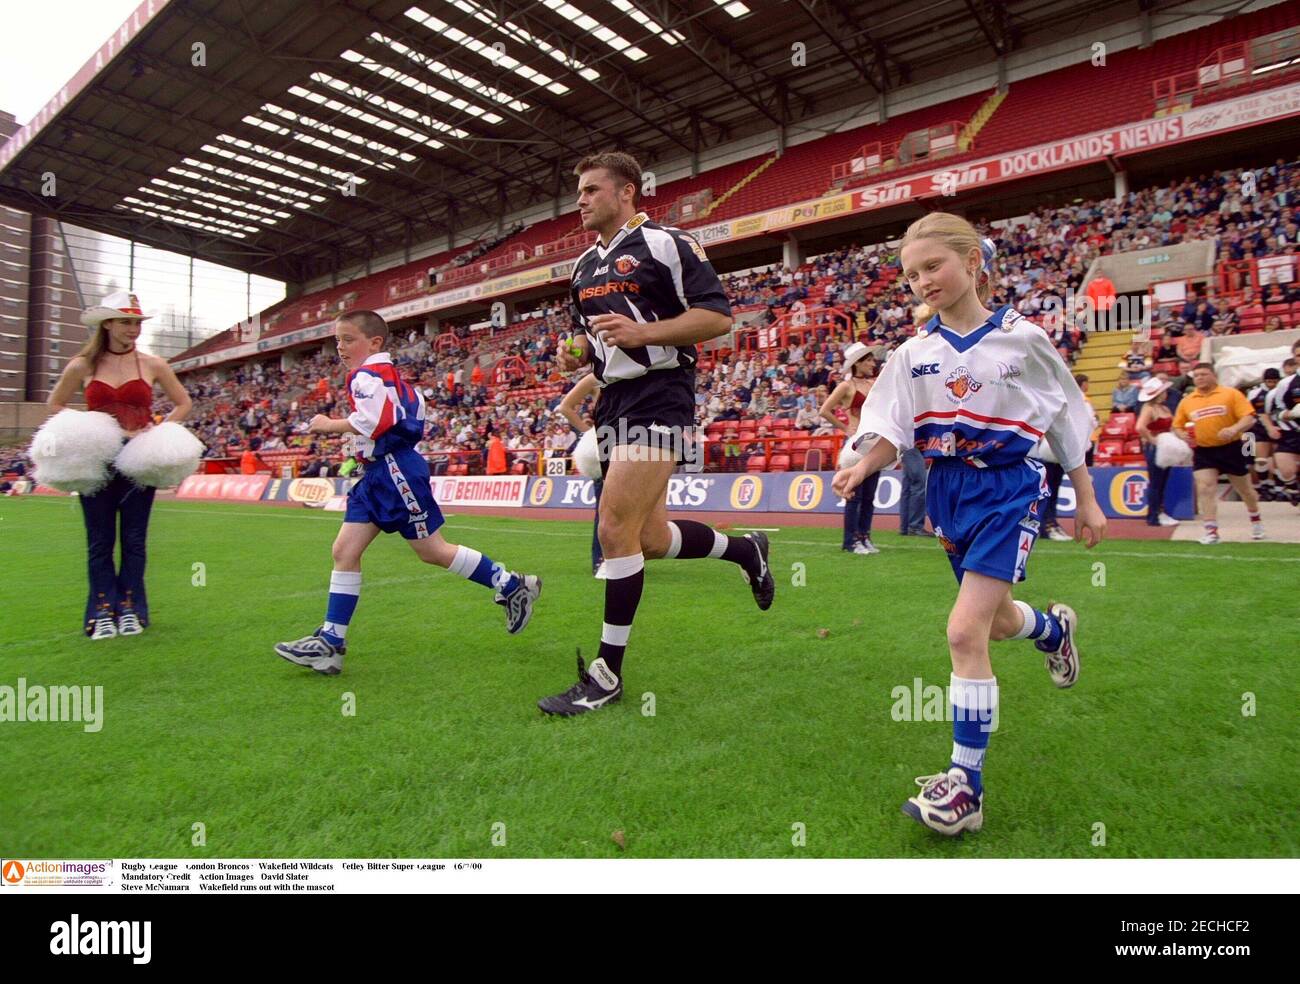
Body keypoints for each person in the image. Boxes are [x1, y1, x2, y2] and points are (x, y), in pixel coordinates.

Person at [832, 213, 1105, 837]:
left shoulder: (1023, 339)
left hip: (1010, 487)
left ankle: (966, 788)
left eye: (933, 266)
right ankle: (1050, 628)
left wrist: (1086, 498)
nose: (922, 281)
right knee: (998, 619)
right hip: (948, 492)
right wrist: (865, 464)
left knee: (962, 632)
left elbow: (1065, 420)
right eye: (911, 274)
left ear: (973, 264)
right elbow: (894, 428)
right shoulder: (912, 353)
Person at [538, 151, 774, 716]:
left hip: (663, 394)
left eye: (592, 189)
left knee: (614, 526)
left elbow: (717, 319)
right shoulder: (582, 269)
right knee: (647, 537)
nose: (581, 199)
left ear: (627, 193)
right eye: (579, 191)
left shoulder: (668, 244)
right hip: (614, 401)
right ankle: (746, 550)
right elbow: (594, 344)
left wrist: (645, 333)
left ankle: (606, 675)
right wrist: (577, 351)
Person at [274, 310, 542, 676]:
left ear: (375, 342)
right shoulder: (394, 379)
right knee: (344, 551)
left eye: (348, 339)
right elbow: (405, 414)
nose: (340, 347)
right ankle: (330, 643)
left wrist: (326, 425)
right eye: (337, 340)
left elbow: (375, 422)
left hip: (393, 471)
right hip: (378, 473)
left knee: (432, 550)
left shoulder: (366, 375)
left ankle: (510, 584)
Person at [47, 291, 194, 640]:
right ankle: (101, 612)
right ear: (107, 324)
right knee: (98, 541)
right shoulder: (82, 364)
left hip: (137, 462)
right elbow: (55, 404)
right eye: (126, 322)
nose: (133, 329)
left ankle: (129, 608)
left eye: (137, 323)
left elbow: (184, 402)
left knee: (134, 540)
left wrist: (157, 432)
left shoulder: (153, 364)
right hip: (96, 462)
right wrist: (89, 430)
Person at [1172, 362, 1265, 544]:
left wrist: (1234, 428)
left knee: (1245, 489)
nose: (1200, 378)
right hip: (1203, 450)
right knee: (1205, 488)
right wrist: (1182, 434)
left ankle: (1256, 520)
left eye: (1204, 374)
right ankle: (1211, 531)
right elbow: (1177, 425)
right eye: (1196, 375)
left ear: (1214, 375)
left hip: (1230, 447)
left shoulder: (1230, 394)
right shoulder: (1188, 401)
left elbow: (1249, 417)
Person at [820, 342, 880, 553]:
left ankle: (864, 536)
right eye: (869, 360)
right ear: (858, 363)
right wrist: (845, 428)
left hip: (873, 440)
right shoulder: (846, 386)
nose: (873, 363)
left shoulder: (873, 383)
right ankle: (851, 540)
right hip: (857, 442)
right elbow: (825, 410)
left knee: (870, 495)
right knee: (855, 494)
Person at [557, 371, 606, 577]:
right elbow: (565, 407)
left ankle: (626, 557)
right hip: (605, 444)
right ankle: (600, 560)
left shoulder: (631, 372)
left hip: (630, 442)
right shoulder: (595, 378)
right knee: (605, 508)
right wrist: (587, 432)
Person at [1135, 376, 1179, 526]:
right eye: (1163, 391)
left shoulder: (1164, 408)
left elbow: (1172, 427)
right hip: (1155, 448)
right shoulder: (1149, 408)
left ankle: (1160, 512)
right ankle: (1153, 516)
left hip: (1166, 448)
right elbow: (1140, 427)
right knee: (1156, 482)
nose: (1166, 393)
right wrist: (1153, 440)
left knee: (1163, 482)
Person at [1263, 362, 1300, 505]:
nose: (1271, 383)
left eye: (1273, 381)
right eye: (1268, 381)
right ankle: (1270, 488)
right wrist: (1290, 414)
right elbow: (1265, 414)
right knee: (1252, 457)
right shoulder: (1282, 387)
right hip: (1254, 433)